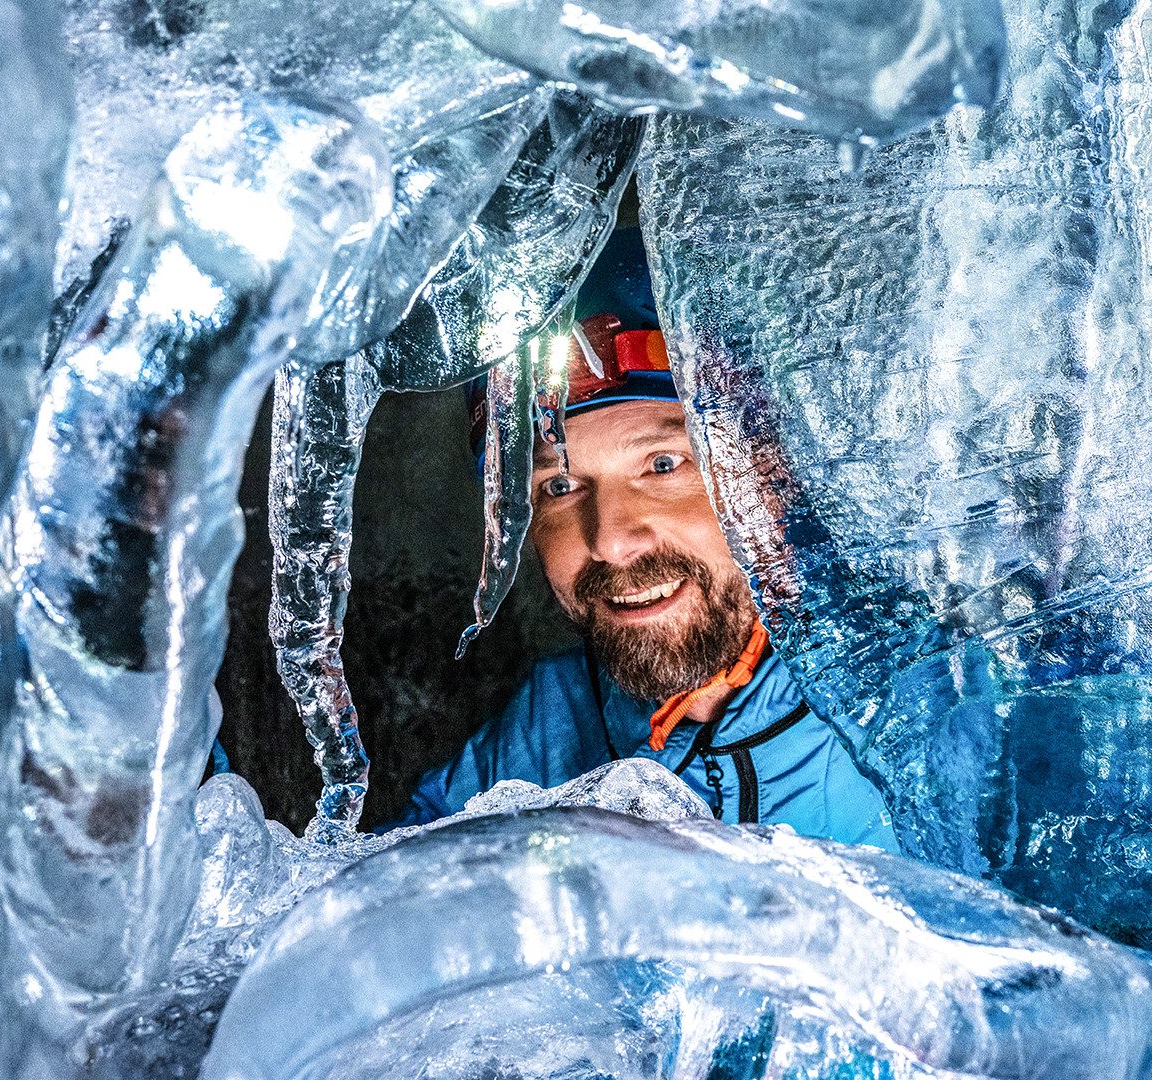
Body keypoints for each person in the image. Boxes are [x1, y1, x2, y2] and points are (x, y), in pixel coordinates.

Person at [382, 231, 898, 849]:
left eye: (661, 465)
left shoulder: (924, 697)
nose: (610, 541)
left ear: (767, 470)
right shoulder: (546, 730)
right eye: (560, 484)